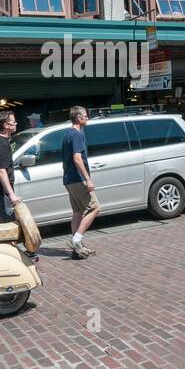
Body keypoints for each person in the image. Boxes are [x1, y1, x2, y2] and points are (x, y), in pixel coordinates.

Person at [63, 106, 100, 258]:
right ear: (78, 118)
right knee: (94, 207)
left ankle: (77, 249)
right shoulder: (77, 135)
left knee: (78, 212)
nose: (88, 117)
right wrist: (88, 179)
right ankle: (76, 241)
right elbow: (77, 158)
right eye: (85, 115)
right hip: (78, 179)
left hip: (69, 179)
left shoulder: (67, 134)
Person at [0, 109, 20, 221]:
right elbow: (1, 171)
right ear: (6, 125)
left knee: (10, 227)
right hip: (1, 194)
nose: (16, 124)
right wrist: (11, 195)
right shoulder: (1, 144)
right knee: (11, 227)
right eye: (13, 122)